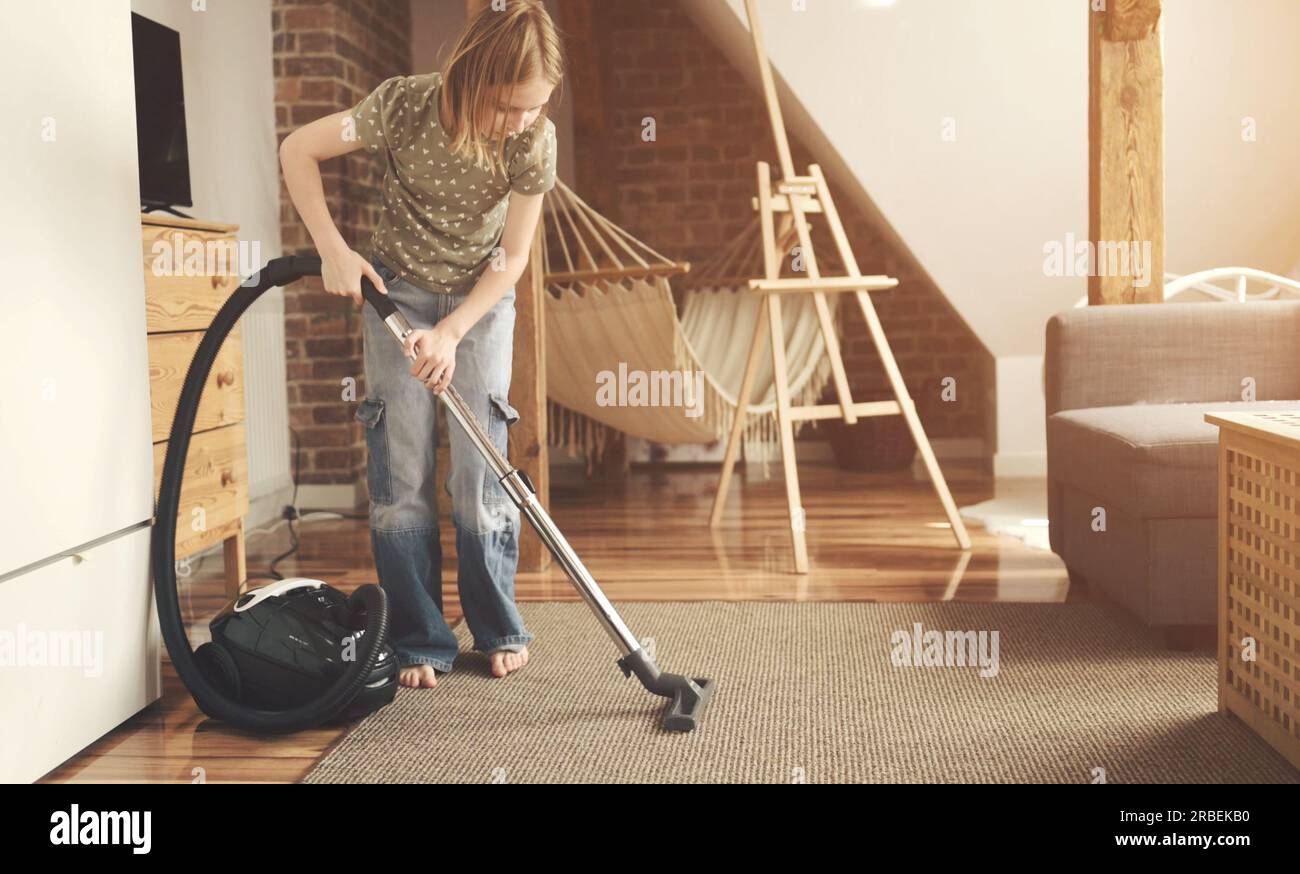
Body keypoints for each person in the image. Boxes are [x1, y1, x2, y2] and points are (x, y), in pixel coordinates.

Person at [279, 0, 563, 689]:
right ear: (470, 79)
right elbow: (298, 149)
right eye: (510, 106)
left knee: (479, 471)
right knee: (399, 472)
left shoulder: (533, 140)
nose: (523, 121)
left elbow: (513, 254)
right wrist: (333, 249)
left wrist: (455, 329)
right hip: (395, 299)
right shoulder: (401, 107)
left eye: (536, 107)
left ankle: (497, 626)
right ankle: (419, 636)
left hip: (480, 305)